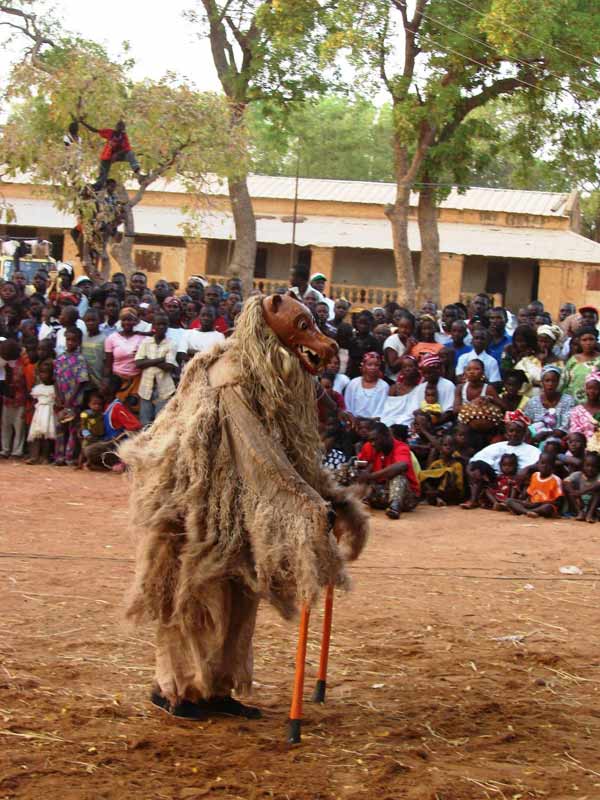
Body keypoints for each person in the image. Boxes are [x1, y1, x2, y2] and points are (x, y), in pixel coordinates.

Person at [120, 293, 368, 720]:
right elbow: (259, 453)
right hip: (196, 509)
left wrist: (330, 496)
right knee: (192, 598)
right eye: (301, 328)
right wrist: (307, 504)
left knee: (236, 600)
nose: (315, 341)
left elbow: (291, 451)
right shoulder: (231, 375)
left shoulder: (269, 376)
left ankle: (215, 688)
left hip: (238, 510)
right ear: (267, 324)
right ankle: (176, 689)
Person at [357, 422, 420, 519]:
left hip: (406, 497)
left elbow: (402, 466)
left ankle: (395, 507)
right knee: (350, 471)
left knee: (398, 475)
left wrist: (371, 476)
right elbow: (360, 463)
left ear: (386, 435)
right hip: (382, 493)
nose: (372, 443)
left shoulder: (401, 447)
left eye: (375, 440)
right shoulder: (370, 446)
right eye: (370, 441)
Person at [54, 327, 89, 466]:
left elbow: (81, 382)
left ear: (79, 342)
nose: (70, 342)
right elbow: (55, 379)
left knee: (72, 429)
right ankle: (59, 456)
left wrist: (70, 399)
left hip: (74, 400)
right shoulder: (59, 358)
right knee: (59, 428)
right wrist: (58, 397)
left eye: (73, 340)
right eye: (68, 339)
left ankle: (69, 456)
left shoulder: (80, 359)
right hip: (61, 400)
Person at [135, 312, 178, 426]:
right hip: (146, 388)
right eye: (158, 324)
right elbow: (138, 363)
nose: (161, 327)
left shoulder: (171, 343)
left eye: (164, 324)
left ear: (168, 326)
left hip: (164, 389)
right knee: (145, 423)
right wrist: (159, 360)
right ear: (153, 325)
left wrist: (148, 361)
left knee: (160, 424)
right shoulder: (146, 342)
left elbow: (169, 367)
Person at [80, 118, 144, 190]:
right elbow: (95, 130)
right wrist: (83, 123)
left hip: (118, 156)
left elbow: (127, 148)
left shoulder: (123, 136)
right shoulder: (110, 133)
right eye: (119, 127)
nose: (120, 129)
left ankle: (138, 173)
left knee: (131, 154)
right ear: (116, 127)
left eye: (122, 127)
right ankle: (96, 187)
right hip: (107, 157)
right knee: (103, 176)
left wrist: (116, 154)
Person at [104, 308, 145, 408]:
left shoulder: (142, 338)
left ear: (135, 322)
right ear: (120, 321)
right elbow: (108, 363)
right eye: (124, 320)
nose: (127, 322)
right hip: (117, 381)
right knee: (117, 410)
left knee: (133, 411)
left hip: (136, 381)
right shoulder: (112, 338)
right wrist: (105, 380)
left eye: (130, 319)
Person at [524, 365, 573, 448]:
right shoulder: (533, 402)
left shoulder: (567, 400)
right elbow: (528, 423)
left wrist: (546, 434)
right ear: (542, 382)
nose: (550, 384)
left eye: (554, 381)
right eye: (547, 381)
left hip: (559, 440)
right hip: (535, 438)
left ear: (558, 382)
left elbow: (565, 427)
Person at [505, 452, 563, 518]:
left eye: (548, 464)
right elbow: (530, 494)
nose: (544, 466)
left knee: (547, 507)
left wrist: (540, 503)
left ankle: (525, 511)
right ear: (538, 464)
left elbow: (558, 502)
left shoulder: (556, 480)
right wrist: (527, 502)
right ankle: (527, 512)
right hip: (532, 504)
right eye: (542, 463)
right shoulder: (534, 475)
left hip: (544, 505)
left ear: (552, 467)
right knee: (509, 500)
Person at [419, 434, 464, 506]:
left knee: (448, 472)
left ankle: (436, 498)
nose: (448, 447)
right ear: (440, 447)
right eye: (445, 445)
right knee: (423, 475)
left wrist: (436, 493)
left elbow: (458, 487)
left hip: (451, 493)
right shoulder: (436, 463)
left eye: (451, 445)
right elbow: (426, 476)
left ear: (454, 448)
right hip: (436, 491)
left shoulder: (457, 465)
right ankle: (436, 498)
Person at [25, 360, 56, 464]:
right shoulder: (37, 388)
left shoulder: (55, 388)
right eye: (41, 372)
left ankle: (45, 457)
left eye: (46, 373)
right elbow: (34, 402)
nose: (43, 375)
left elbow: (58, 401)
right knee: (36, 435)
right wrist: (28, 411)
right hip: (38, 414)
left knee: (46, 436)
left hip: (49, 414)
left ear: (52, 374)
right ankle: (34, 456)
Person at [381, 355, 422, 427]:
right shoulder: (394, 388)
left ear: (416, 368)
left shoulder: (421, 389)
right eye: (404, 367)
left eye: (410, 366)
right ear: (401, 370)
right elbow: (387, 409)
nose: (407, 369)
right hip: (391, 422)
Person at [344, 352, 389, 418]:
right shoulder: (353, 383)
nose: (373, 367)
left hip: (374, 423)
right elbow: (347, 405)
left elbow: (381, 409)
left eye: (376, 365)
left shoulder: (384, 386)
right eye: (369, 365)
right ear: (363, 366)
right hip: (353, 420)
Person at [563, 326, 600, 404]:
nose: (588, 343)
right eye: (584, 340)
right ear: (579, 342)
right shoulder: (573, 360)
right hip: (573, 403)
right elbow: (564, 382)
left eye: (591, 339)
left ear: (596, 341)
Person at [1, 351, 27, 458]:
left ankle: (17, 451)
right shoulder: (4, 363)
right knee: (6, 426)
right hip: (7, 399)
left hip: (20, 399)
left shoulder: (22, 364)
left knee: (19, 427)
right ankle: (5, 450)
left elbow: (25, 383)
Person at [563, 451, 600, 523]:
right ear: (582, 466)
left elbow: (598, 484)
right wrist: (574, 493)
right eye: (587, 465)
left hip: (594, 504)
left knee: (598, 491)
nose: (590, 469)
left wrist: (581, 492)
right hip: (580, 503)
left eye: (594, 466)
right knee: (569, 488)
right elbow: (565, 482)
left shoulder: (598, 476)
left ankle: (590, 514)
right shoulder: (578, 475)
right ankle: (580, 512)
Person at [568, 371, 600, 449]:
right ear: (585, 389)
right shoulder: (577, 411)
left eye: (596, 389)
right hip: (580, 448)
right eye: (589, 388)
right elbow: (574, 433)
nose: (592, 391)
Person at [347, 311, 381, 379]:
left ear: (371, 324)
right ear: (356, 323)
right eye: (360, 323)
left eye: (365, 323)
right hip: (353, 373)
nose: (362, 326)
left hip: (369, 374)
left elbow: (378, 360)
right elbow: (350, 359)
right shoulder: (352, 340)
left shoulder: (374, 341)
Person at [383, 312, 416, 377]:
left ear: (413, 329)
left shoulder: (413, 340)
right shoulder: (392, 341)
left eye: (407, 327)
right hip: (394, 380)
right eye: (401, 326)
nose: (403, 330)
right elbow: (393, 368)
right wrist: (407, 350)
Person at [81, 308, 106, 388]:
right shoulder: (82, 337)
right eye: (88, 321)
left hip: (98, 379)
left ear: (100, 321)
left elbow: (106, 361)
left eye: (93, 320)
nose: (90, 323)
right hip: (84, 379)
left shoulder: (104, 339)